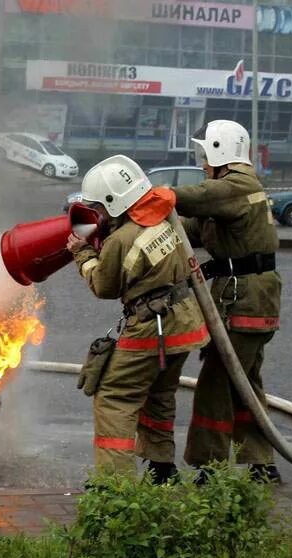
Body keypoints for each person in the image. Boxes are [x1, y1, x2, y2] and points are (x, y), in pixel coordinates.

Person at [68, 155, 210, 483]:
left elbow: (104, 286)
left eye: (98, 207)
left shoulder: (121, 239)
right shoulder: (162, 217)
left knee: (114, 396)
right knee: (159, 394)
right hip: (185, 324)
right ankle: (162, 469)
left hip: (151, 326)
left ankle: (114, 484)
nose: (97, 215)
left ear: (112, 202)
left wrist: (82, 252)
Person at [169, 120, 282, 483]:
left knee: (217, 384)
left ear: (221, 151)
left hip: (245, 300)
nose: (203, 163)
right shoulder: (230, 196)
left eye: (205, 155)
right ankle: (261, 463)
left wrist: (157, 196)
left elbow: (198, 196)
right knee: (245, 381)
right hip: (247, 297)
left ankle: (210, 467)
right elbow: (187, 228)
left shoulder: (237, 185)